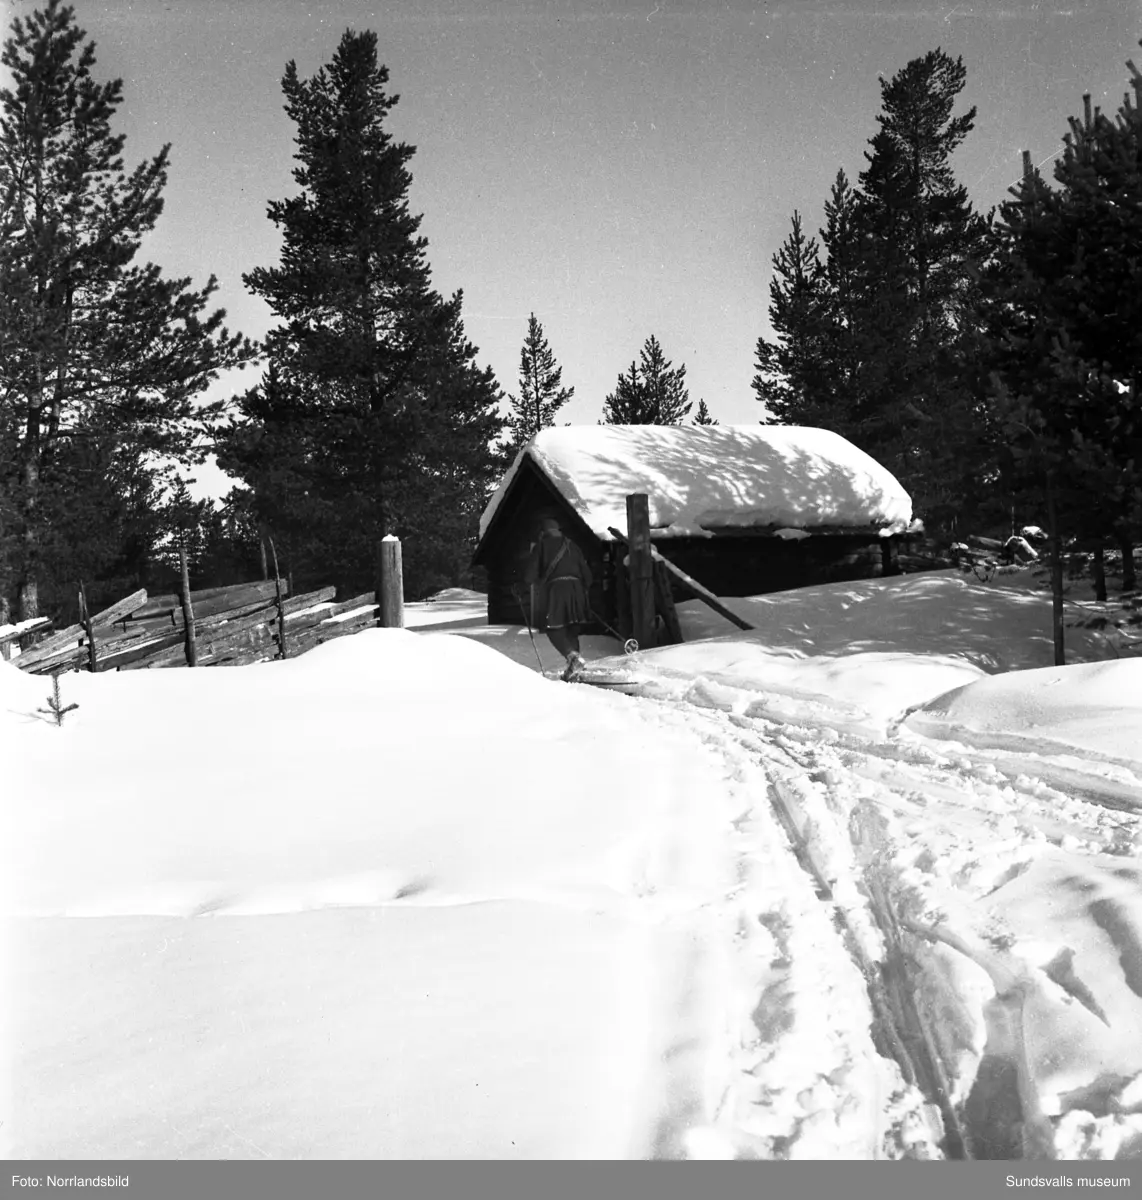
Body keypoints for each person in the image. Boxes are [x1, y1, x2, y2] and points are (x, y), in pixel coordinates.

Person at [524, 516, 593, 679]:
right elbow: (587, 576)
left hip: (556, 590)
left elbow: (529, 575)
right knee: (571, 629)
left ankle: (573, 658)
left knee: (552, 628)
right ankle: (575, 667)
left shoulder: (541, 546)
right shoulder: (573, 546)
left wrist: (524, 584)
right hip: (576, 591)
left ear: (543, 532)